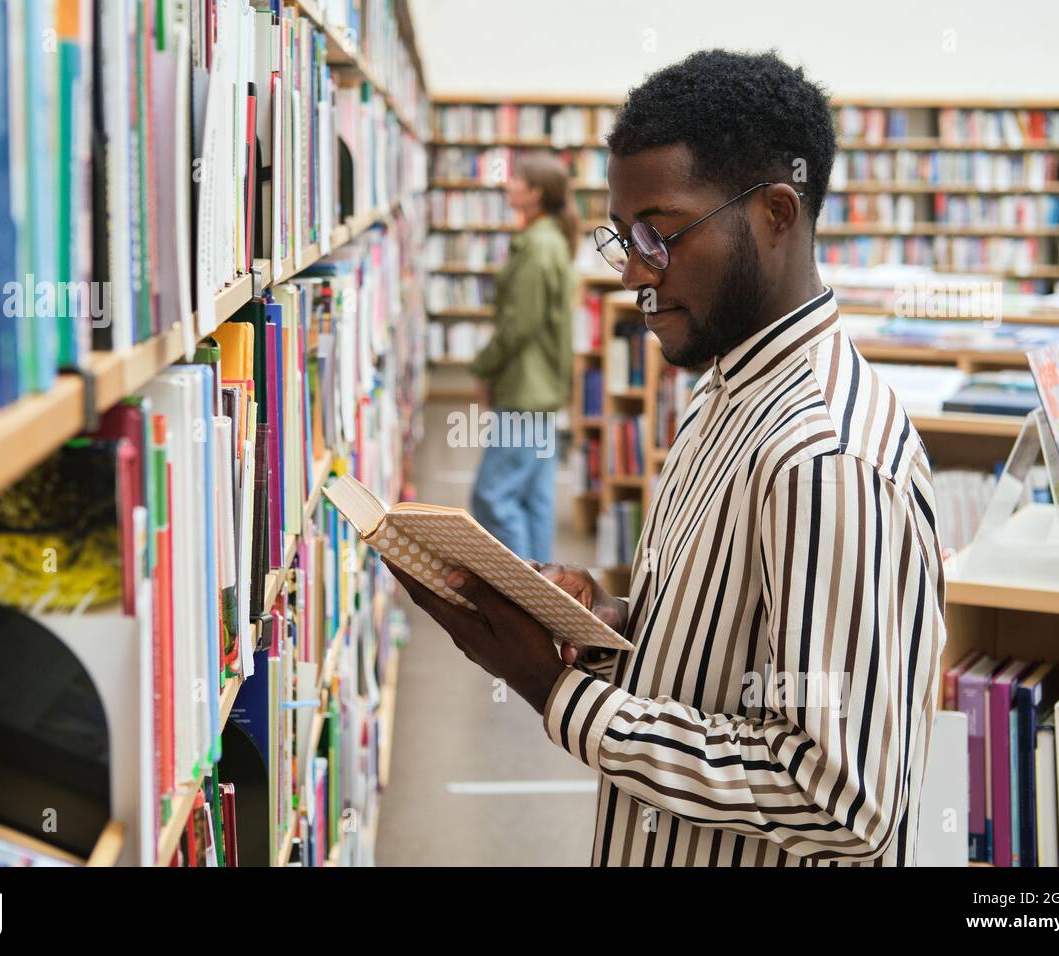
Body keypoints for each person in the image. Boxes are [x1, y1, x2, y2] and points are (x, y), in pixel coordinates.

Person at [389, 50, 947, 866]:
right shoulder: (724, 390)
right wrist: (610, 624)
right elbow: (733, 648)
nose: (634, 273)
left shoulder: (825, 458)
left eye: (661, 232)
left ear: (777, 214)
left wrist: (560, 693)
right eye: (624, 237)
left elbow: (839, 799)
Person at [467, 153, 577, 564]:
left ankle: (521, 592)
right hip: (542, 388)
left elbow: (520, 325)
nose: (508, 184)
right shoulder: (549, 241)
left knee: (493, 496)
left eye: (517, 179)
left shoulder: (537, 248)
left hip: (526, 388)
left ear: (535, 193)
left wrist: (482, 367)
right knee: (533, 499)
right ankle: (543, 595)